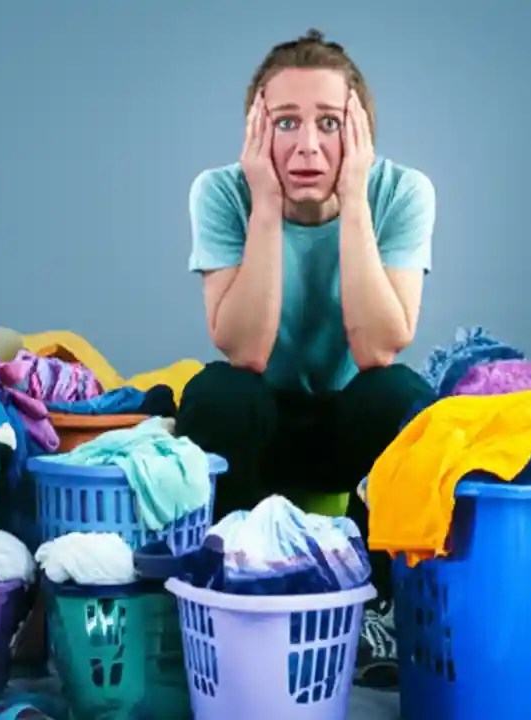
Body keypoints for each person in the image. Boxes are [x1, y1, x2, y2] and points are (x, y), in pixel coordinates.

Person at [175, 28, 437, 687]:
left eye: (329, 123)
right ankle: (236, 587)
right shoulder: (222, 191)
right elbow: (245, 349)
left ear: (362, 135)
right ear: (255, 133)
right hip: (259, 431)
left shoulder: (401, 192)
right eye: (285, 122)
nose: (308, 145)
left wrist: (352, 205)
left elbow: (379, 345)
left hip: (353, 431)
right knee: (217, 392)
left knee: (400, 393)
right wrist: (267, 204)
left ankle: (377, 606)